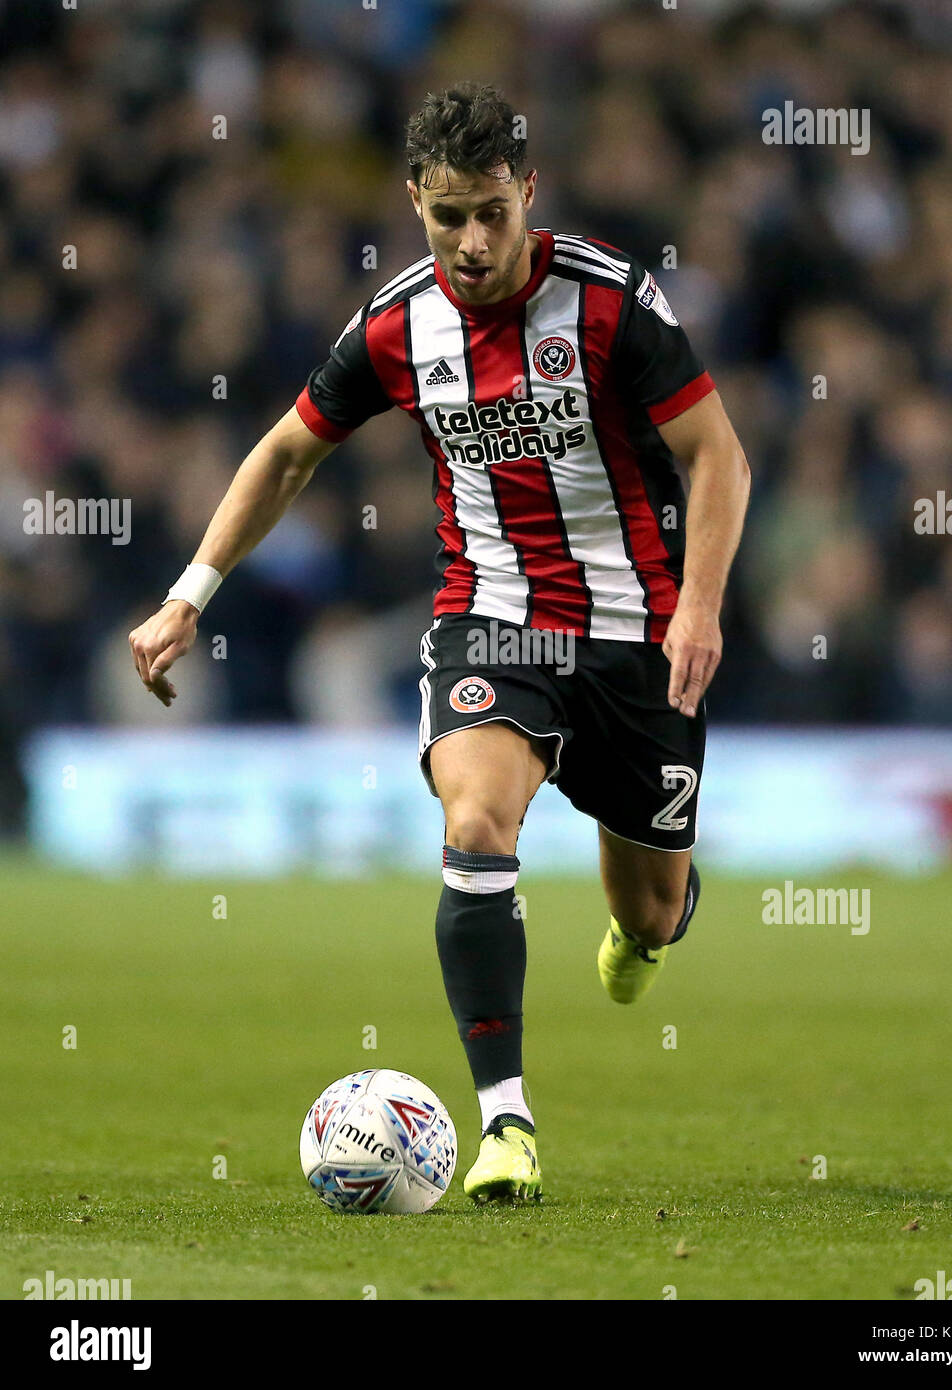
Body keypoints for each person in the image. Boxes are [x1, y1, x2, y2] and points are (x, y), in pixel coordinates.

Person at [129, 81, 750, 1205]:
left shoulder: (610, 303)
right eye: (447, 214)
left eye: (492, 214)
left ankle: (655, 922)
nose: (470, 243)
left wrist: (699, 603)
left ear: (529, 194)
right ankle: (504, 1125)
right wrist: (189, 595)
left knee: (645, 909)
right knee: (474, 818)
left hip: (634, 634)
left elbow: (718, 456)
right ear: (414, 197)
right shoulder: (395, 324)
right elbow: (282, 455)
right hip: (491, 621)